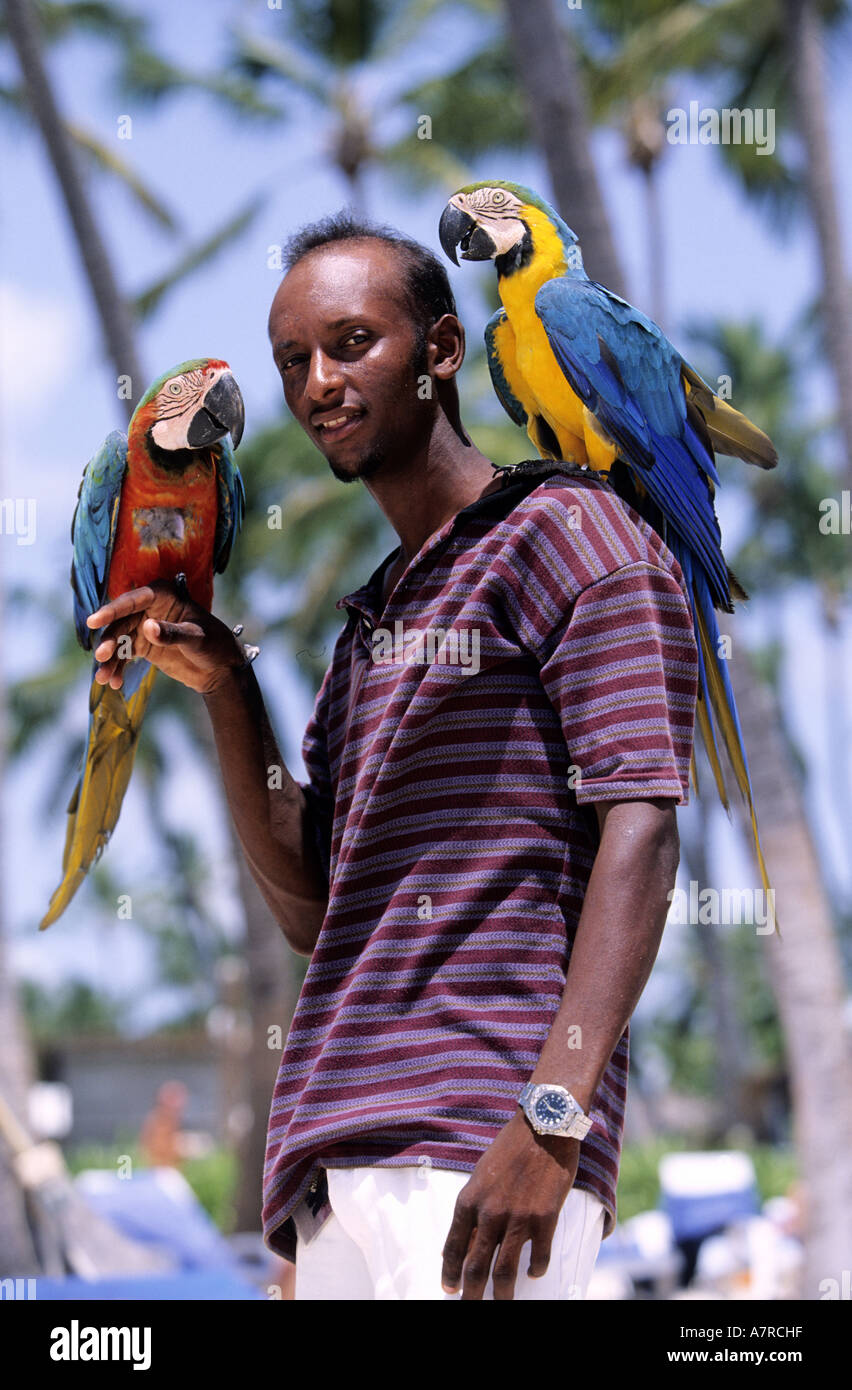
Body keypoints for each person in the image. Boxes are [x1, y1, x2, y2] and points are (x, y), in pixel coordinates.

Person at [86, 212, 699, 1301]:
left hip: (482, 1150)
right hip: (338, 1164)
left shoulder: (573, 533)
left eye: (352, 342)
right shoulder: (371, 621)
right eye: (293, 360)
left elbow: (642, 829)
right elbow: (323, 912)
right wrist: (230, 687)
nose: (318, 380)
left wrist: (550, 1118)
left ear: (444, 353)